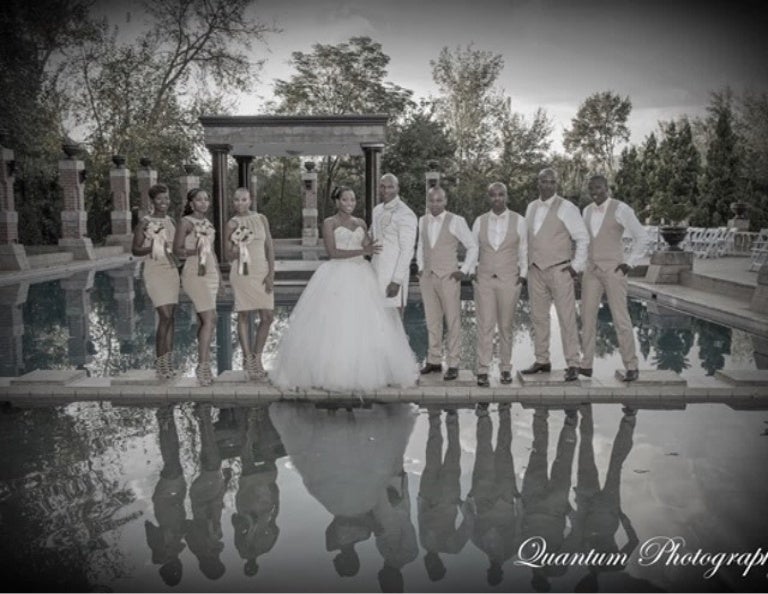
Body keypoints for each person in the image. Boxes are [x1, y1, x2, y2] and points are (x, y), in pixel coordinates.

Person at [270, 186, 419, 392]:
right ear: (337, 201)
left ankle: (371, 370)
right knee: (336, 323)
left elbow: (371, 245)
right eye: (345, 200)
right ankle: (332, 372)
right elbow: (332, 252)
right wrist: (363, 250)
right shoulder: (329, 223)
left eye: (353, 200)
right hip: (337, 273)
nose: (350, 204)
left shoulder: (361, 223)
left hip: (362, 274)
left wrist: (390, 251)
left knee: (367, 324)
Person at [522, 168, 589, 382]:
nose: (548, 185)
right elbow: (527, 239)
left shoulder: (567, 208)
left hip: (559, 270)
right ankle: (542, 360)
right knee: (539, 318)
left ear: (556, 184)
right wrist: (525, 266)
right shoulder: (531, 207)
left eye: (552, 182)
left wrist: (576, 266)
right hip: (535, 270)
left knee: (566, 318)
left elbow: (582, 238)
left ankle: (573, 363)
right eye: (544, 181)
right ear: (538, 183)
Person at [580, 175, 647, 382]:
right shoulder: (586, 210)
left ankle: (631, 365)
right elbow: (586, 240)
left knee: (620, 318)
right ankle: (586, 365)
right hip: (592, 271)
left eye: (598, 187)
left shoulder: (621, 209)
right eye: (591, 188)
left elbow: (642, 236)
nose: (595, 192)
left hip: (613, 270)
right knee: (587, 318)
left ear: (607, 188)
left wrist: (629, 263)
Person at [416, 186, 477, 381]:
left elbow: (473, 246)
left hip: (449, 277)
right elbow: (421, 245)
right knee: (432, 321)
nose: (435, 204)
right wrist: (420, 267)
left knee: (452, 321)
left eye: (439, 200)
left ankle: (453, 363)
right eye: (431, 200)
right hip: (428, 277)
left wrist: (464, 270)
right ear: (427, 201)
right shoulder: (422, 220)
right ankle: (434, 360)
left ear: (445, 201)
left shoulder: (456, 221)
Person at [470, 182, 527, 388]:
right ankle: (483, 369)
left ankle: (505, 369)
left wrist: (523, 275)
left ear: (506, 196)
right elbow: (473, 248)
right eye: (493, 195)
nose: (497, 198)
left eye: (501, 194)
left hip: (509, 280)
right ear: (489, 197)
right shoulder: (480, 221)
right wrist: (472, 272)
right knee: (485, 325)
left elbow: (524, 250)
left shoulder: (519, 221)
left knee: (505, 326)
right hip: (484, 280)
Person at [226, 187, 275, 381]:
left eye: (243, 199)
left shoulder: (262, 219)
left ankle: (257, 356)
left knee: (268, 317)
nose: (240, 203)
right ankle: (248, 359)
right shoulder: (232, 224)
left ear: (250, 200)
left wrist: (271, 273)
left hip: (261, 271)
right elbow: (228, 255)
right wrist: (238, 246)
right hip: (242, 273)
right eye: (236, 200)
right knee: (244, 314)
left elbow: (269, 247)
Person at [132, 184, 179, 380]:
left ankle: (168, 363)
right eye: (159, 199)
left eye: (166, 198)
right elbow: (135, 250)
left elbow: (175, 249)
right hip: (153, 272)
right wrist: (153, 247)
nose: (164, 202)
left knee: (171, 318)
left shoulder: (171, 221)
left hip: (171, 272)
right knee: (165, 316)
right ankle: (160, 363)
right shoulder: (144, 223)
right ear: (152, 201)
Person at [173, 188, 220, 386]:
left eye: (206, 199)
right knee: (211, 319)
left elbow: (212, 253)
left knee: (204, 321)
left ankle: (203, 363)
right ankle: (203, 366)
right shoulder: (185, 222)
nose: (203, 202)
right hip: (194, 273)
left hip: (211, 274)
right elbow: (177, 250)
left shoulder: (208, 224)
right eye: (199, 200)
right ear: (191, 203)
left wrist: (219, 278)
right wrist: (196, 250)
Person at [371, 173, 418, 317]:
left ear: (397, 188)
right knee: (376, 319)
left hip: (392, 275)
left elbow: (407, 251)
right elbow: (372, 235)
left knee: (394, 320)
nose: (385, 190)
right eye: (382, 186)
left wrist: (396, 281)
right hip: (375, 271)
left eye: (390, 187)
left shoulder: (406, 214)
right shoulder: (377, 210)